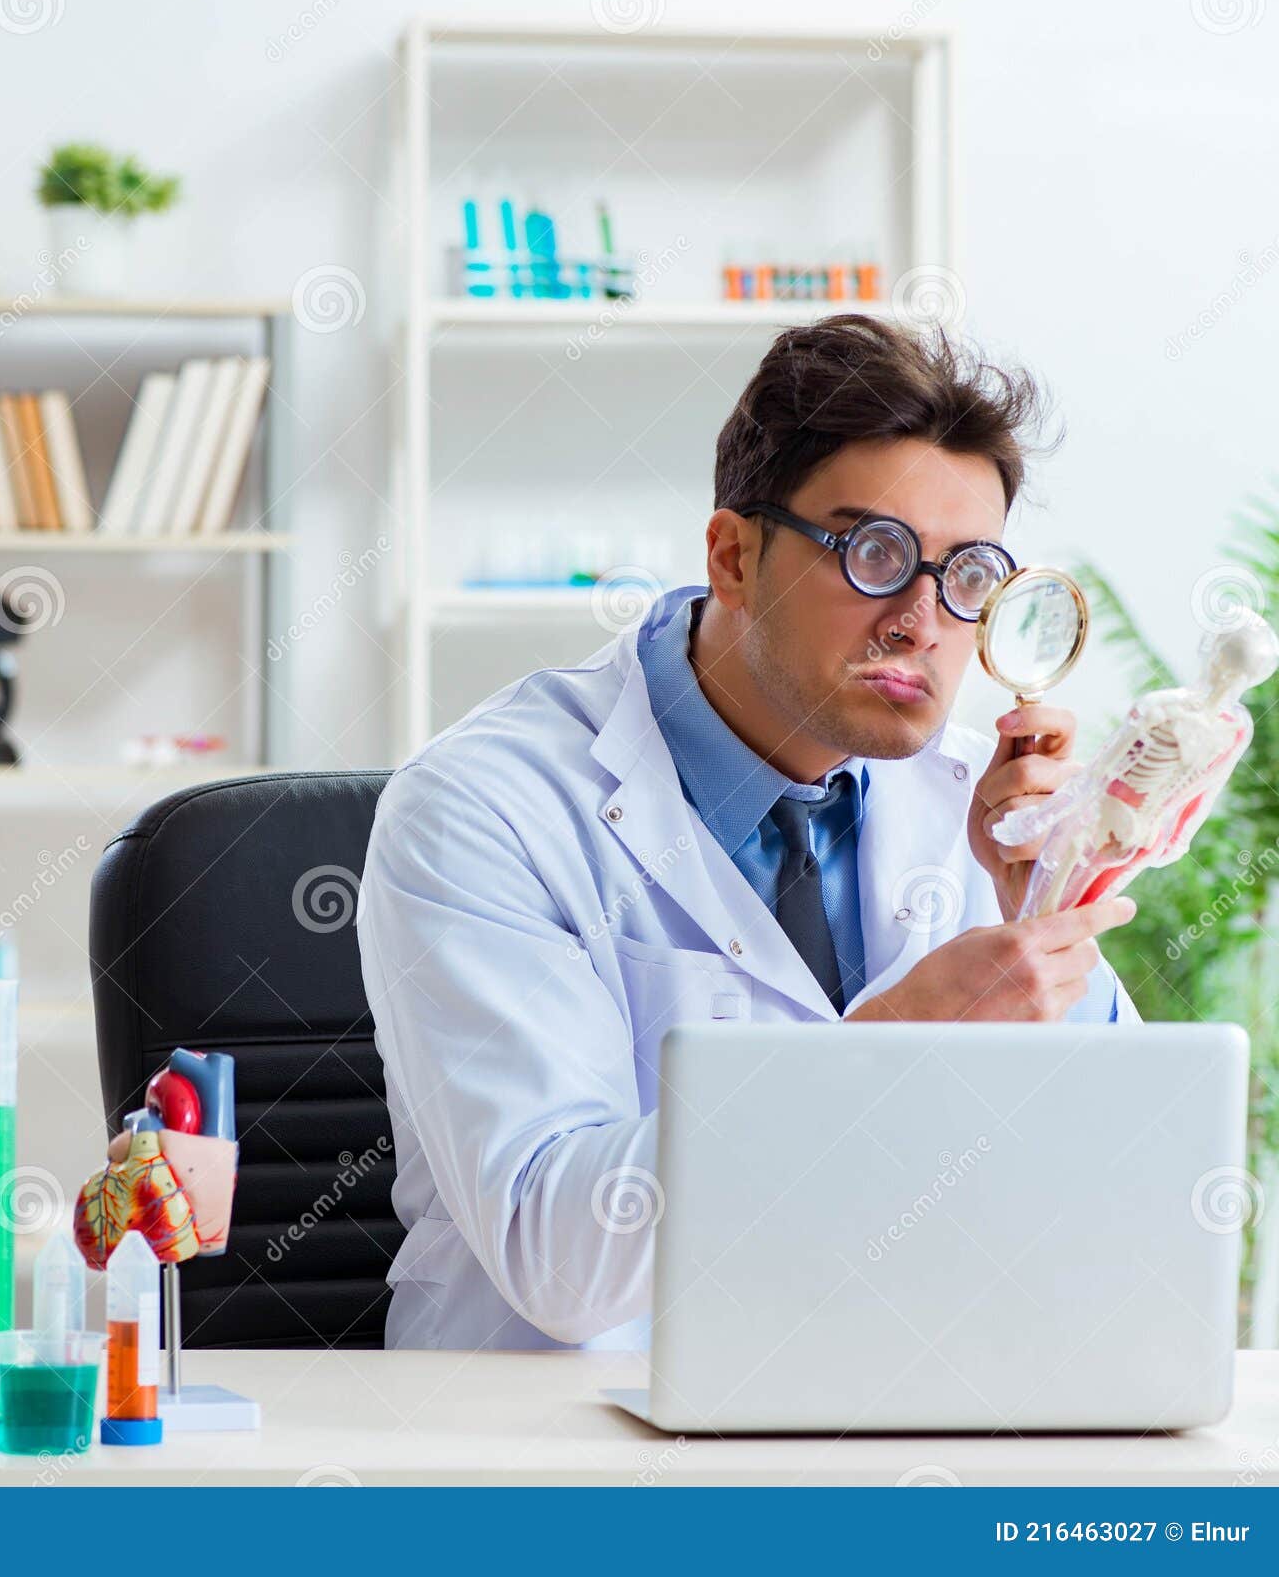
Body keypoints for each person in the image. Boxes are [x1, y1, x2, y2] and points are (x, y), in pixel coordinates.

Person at [356, 314, 1139, 1352]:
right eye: (873, 552)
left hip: (884, 1413)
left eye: (968, 576)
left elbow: (1121, 1178)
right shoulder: (483, 807)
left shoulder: (978, 802)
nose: (922, 619)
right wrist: (890, 1047)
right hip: (555, 1448)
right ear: (732, 555)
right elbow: (556, 1255)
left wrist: (1042, 899)